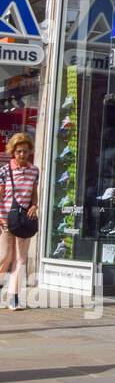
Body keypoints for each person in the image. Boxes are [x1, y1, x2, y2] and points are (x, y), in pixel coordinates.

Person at [0, 132, 40, 310]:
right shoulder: (5, 170)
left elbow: (33, 192)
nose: (22, 155)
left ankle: (13, 298)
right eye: (18, 152)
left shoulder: (34, 170)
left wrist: (34, 205)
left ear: (30, 151)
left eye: (25, 151)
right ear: (13, 152)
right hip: (7, 218)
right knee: (5, 257)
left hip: (25, 220)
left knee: (21, 259)